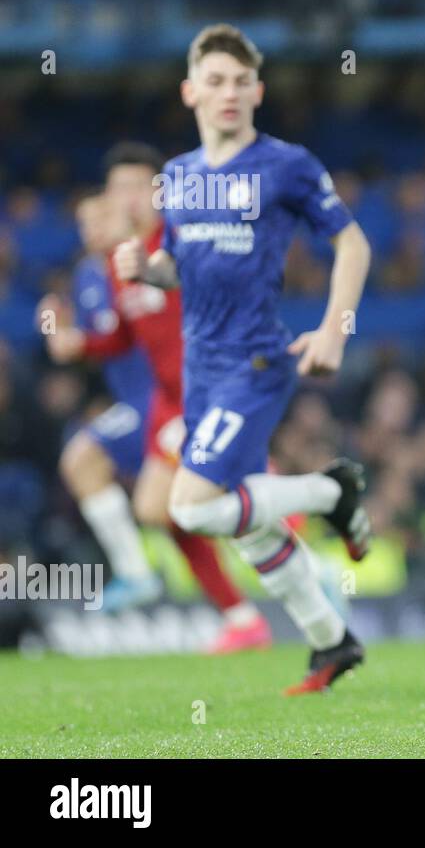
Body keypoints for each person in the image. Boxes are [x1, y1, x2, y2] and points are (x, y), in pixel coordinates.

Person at [114, 24, 372, 693]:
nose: (228, 93)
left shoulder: (286, 165)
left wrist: (333, 331)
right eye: (215, 80)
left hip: (254, 363)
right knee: (249, 526)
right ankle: (331, 640)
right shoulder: (178, 176)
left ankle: (330, 492)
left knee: (194, 507)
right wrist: (148, 269)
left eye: (240, 82)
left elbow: (352, 245)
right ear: (190, 91)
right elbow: (180, 265)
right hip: (200, 372)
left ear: (257, 91)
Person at [40, 160, 271, 652]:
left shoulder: (177, 244)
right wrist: (71, 342)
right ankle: (244, 609)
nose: (94, 227)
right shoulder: (115, 267)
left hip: (195, 397)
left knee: (102, 470)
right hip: (163, 405)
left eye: (105, 212)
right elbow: (118, 336)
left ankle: (290, 535)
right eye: (87, 222)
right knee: (165, 509)